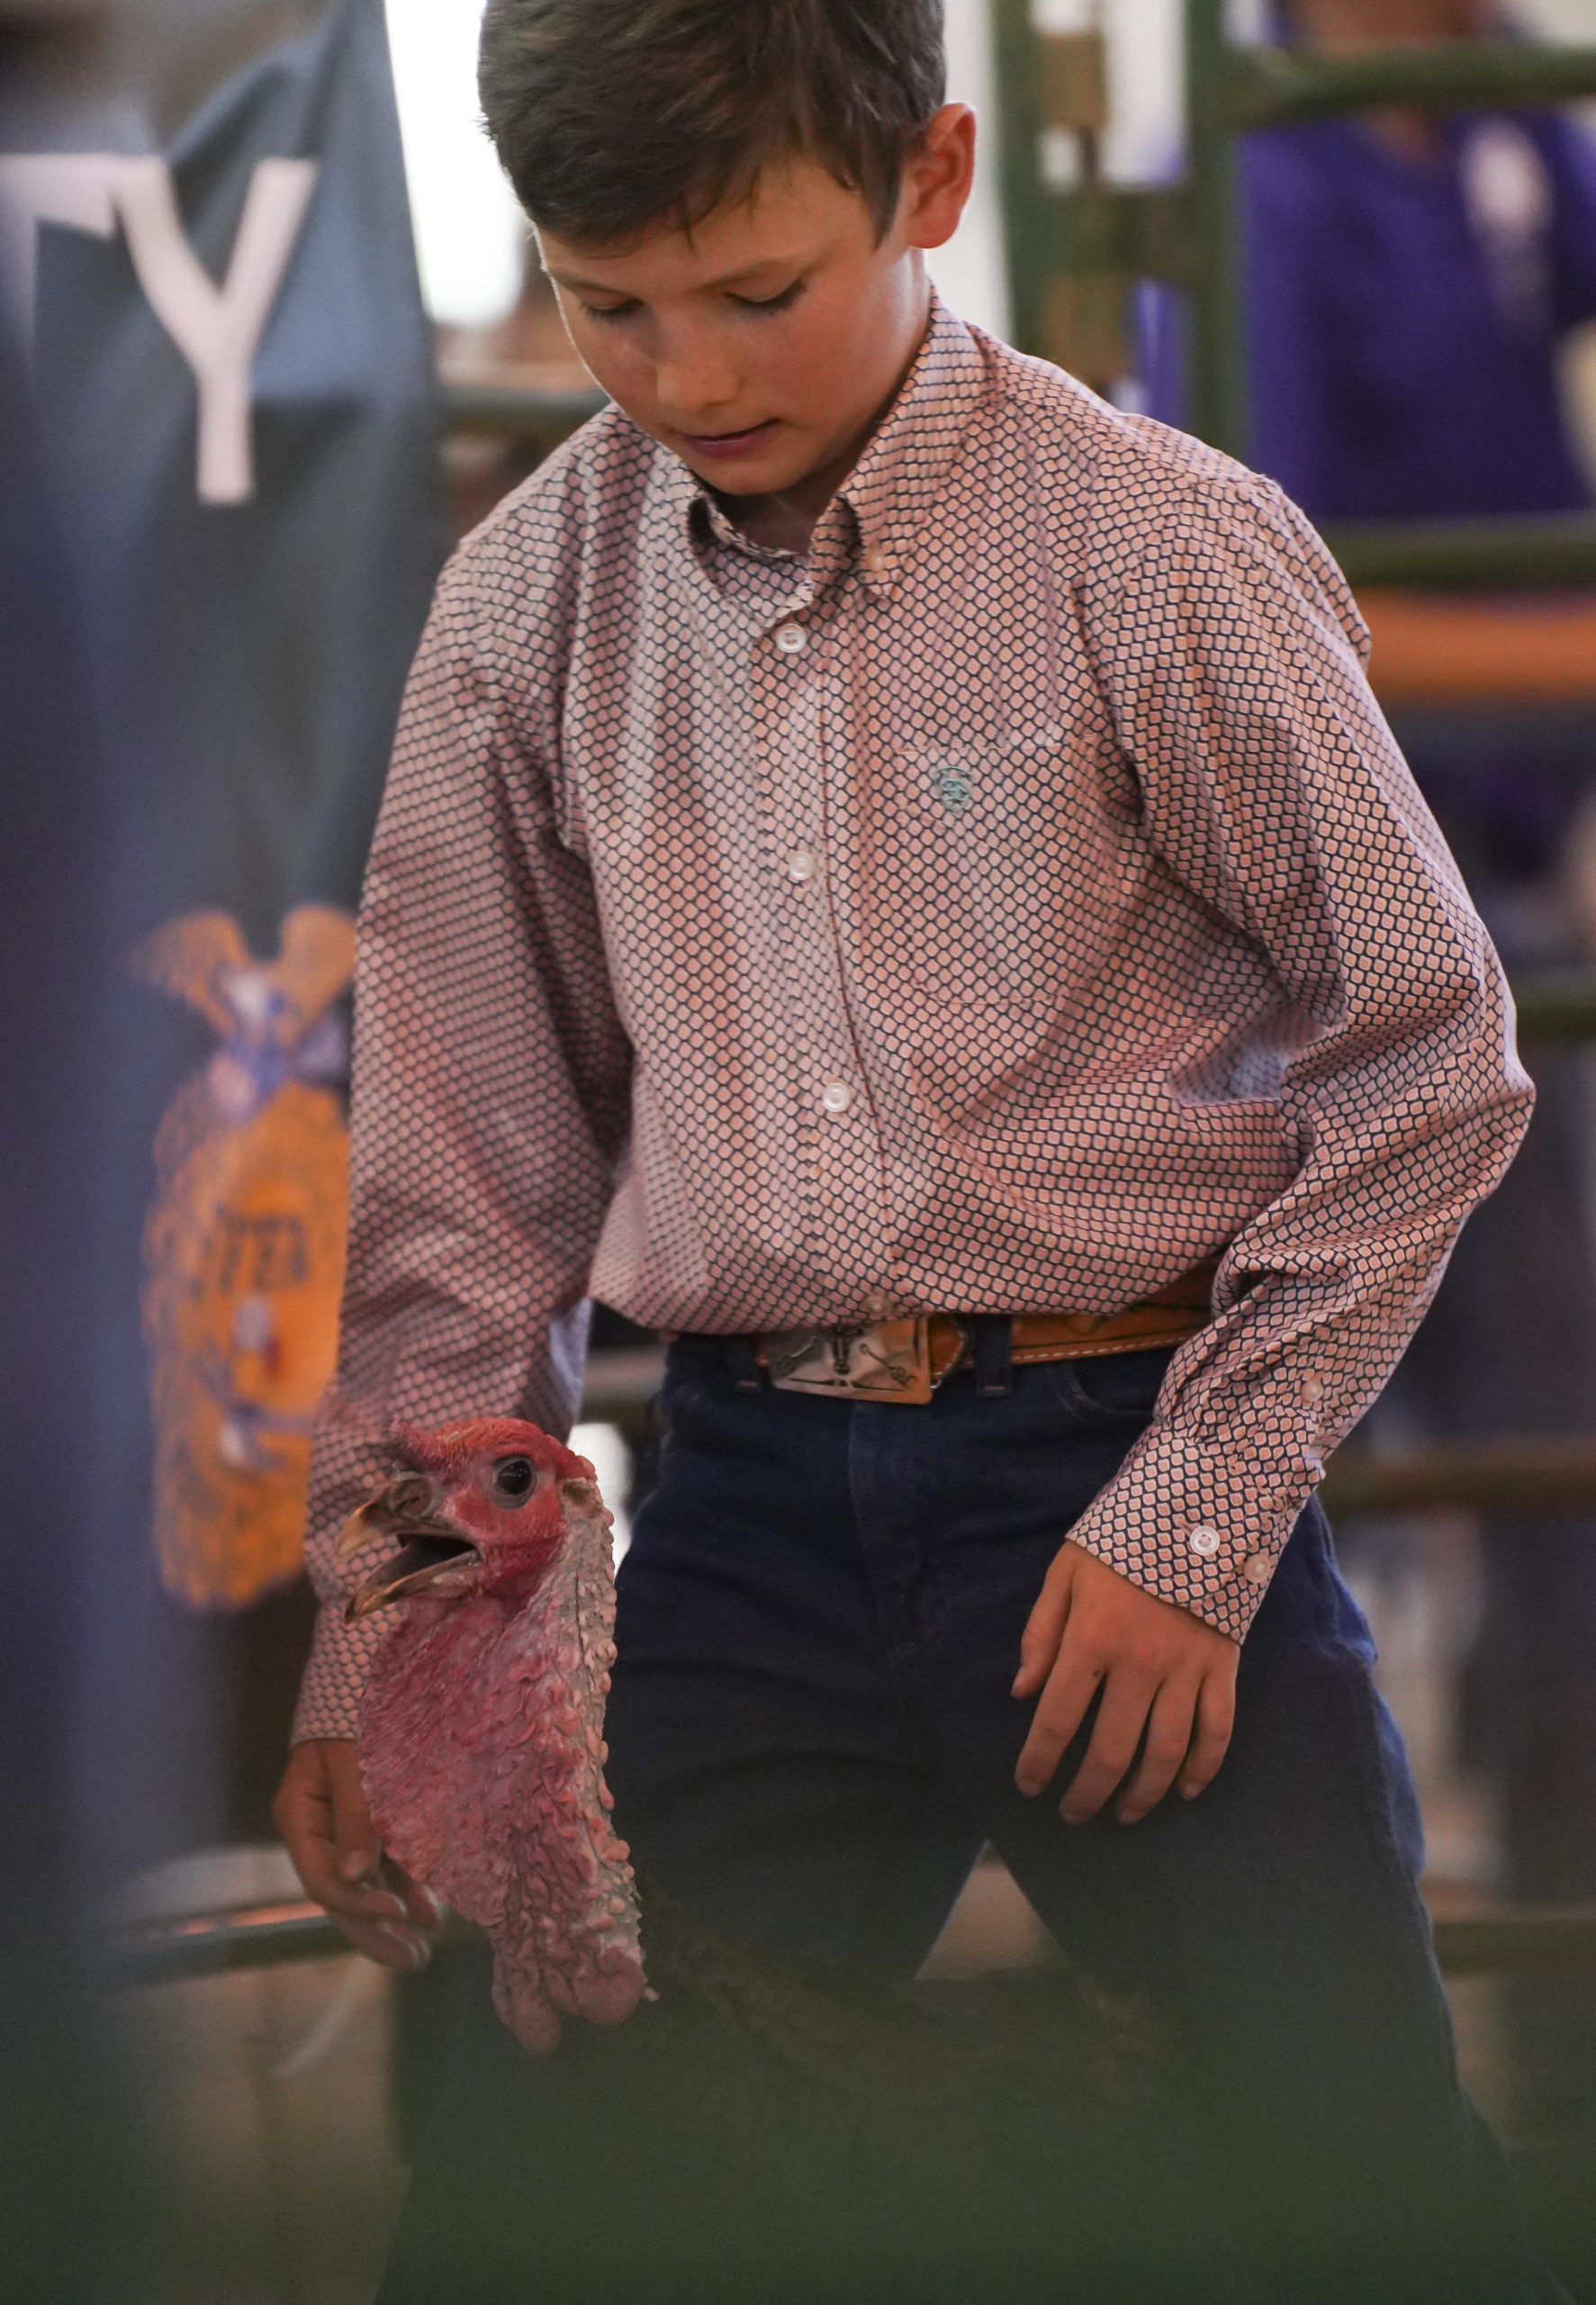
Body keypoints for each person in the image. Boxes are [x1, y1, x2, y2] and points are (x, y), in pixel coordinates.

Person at [273, 2, 1556, 2294]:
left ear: (929, 181)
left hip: (1128, 1468)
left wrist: (1195, 1513)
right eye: (604, 304)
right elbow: (462, 1180)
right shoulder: (520, 608)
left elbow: (1430, 1045)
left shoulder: (1153, 548)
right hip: (749, 1496)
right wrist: (380, 1634)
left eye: (754, 293)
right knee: (531, 2175)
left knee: (1352, 2166)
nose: (679, 372)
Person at [1145, 0, 1596, 2141]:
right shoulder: (1266, 165)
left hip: (1522, 864)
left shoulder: (1505, 104)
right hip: (1340, 929)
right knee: (1428, 1459)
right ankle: (1355, 2070)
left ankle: (1529, 2006)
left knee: (1543, 1477)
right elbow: (1281, 602)